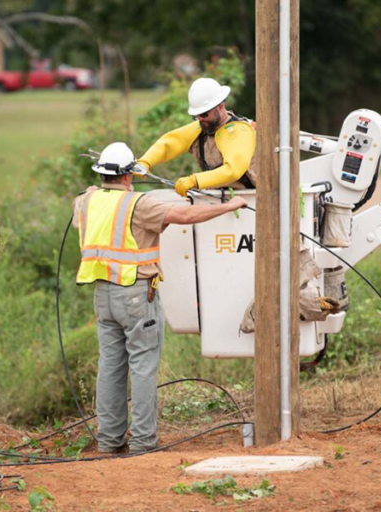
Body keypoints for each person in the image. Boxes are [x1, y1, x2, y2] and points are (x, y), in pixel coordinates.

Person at [73, 142, 246, 454]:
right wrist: (228, 207)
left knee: (110, 366)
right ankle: (142, 443)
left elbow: (84, 215)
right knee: (142, 365)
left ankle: (109, 441)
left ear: (103, 175)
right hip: (137, 295)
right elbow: (184, 215)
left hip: (103, 296)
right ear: (128, 176)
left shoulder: (85, 201)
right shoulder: (139, 204)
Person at [134, 77, 257, 197]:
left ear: (220, 107)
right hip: (219, 198)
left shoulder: (239, 132)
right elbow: (170, 143)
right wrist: (145, 162)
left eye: (204, 114)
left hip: (250, 200)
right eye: (196, 116)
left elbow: (233, 170)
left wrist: (194, 181)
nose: (200, 120)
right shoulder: (202, 127)